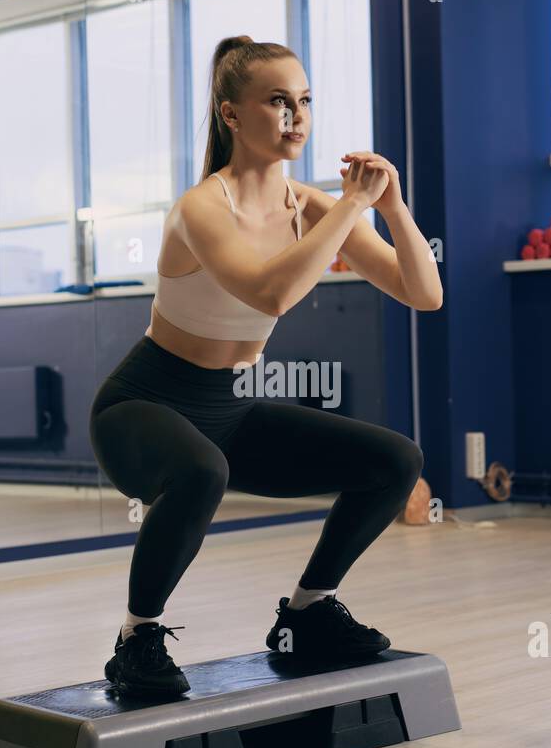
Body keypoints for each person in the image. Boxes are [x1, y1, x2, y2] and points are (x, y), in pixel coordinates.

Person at [89, 35, 443, 699]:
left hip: (227, 408)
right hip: (142, 406)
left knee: (395, 460)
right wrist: (349, 208)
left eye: (304, 101)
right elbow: (270, 293)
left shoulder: (312, 207)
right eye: (277, 102)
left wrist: (390, 205)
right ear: (230, 115)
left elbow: (424, 294)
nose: (296, 117)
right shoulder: (202, 208)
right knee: (201, 473)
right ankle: (137, 638)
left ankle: (308, 612)